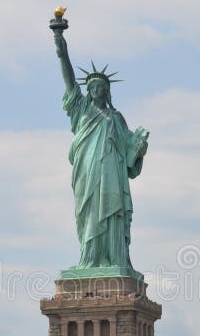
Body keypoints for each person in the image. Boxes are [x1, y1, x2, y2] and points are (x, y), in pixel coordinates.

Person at [53, 28, 149, 272]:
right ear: (89, 91)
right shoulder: (81, 110)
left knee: (112, 214)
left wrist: (139, 146)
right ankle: (91, 259)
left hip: (112, 177)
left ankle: (114, 259)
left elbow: (130, 156)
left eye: (103, 88)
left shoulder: (116, 118)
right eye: (94, 87)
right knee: (88, 215)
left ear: (108, 91)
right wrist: (61, 47)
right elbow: (69, 79)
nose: (98, 90)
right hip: (87, 172)